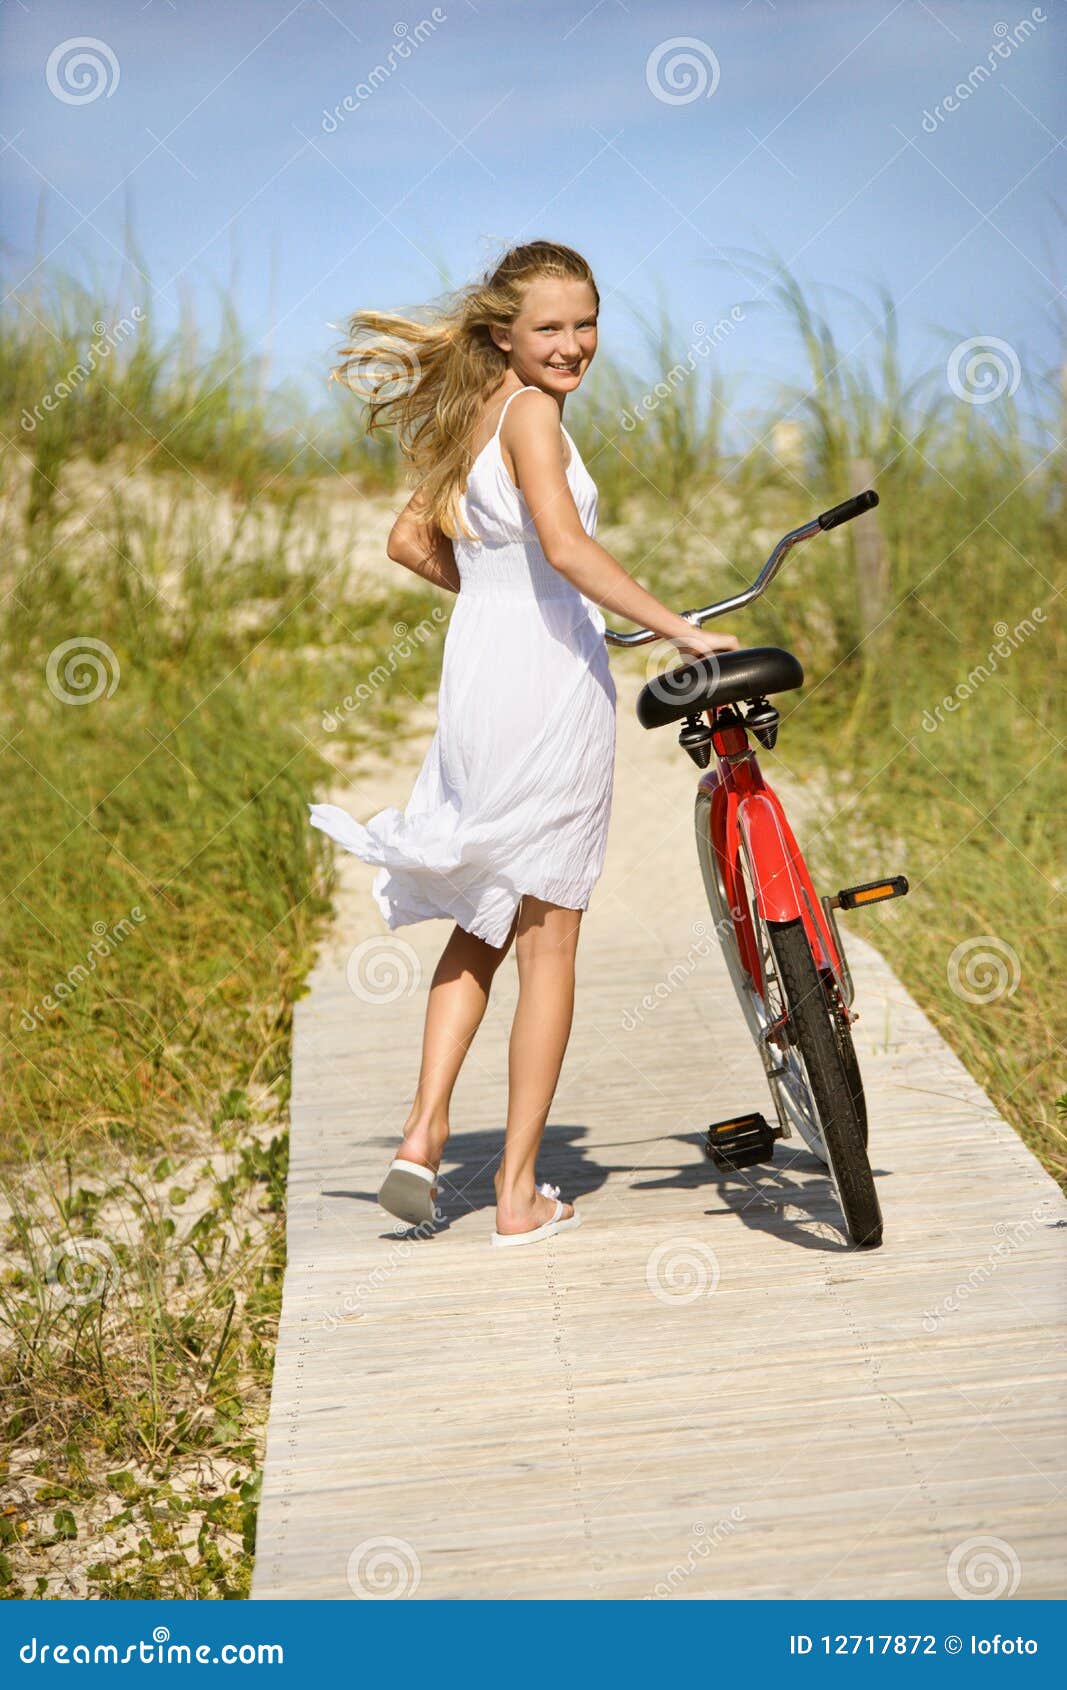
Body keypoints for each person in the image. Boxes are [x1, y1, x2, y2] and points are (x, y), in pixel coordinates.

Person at [308, 240, 738, 1247]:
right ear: (503, 331)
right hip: (546, 685)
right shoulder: (534, 416)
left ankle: (421, 1133)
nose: (572, 344)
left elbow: (410, 541)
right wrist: (677, 626)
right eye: (550, 327)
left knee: (480, 913)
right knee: (549, 937)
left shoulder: (473, 414)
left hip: (479, 674)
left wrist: (501, 602)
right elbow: (566, 544)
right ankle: (515, 1192)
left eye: (585, 323)